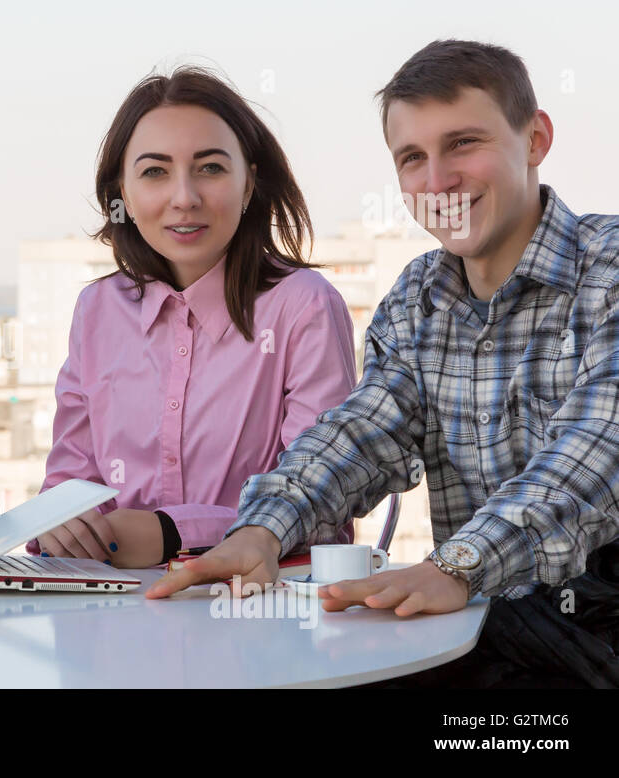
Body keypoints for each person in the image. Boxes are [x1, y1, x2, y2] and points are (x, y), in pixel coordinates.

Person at [148, 40, 619, 687]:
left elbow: (592, 458)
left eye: (463, 144)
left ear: (535, 138)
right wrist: (259, 533)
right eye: (412, 158)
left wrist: (457, 566)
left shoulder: (609, 271)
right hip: (497, 633)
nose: (437, 180)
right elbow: (360, 437)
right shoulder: (417, 298)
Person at [31, 67, 357, 568]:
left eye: (210, 168)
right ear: (123, 194)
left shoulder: (304, 305)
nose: (184, 197)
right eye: (155, 172)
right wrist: (59, 525)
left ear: (249, 183)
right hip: (109, 613)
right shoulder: (96, 310)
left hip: (264, 614)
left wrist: (170, 535)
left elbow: (320, 501)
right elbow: (68, 492)